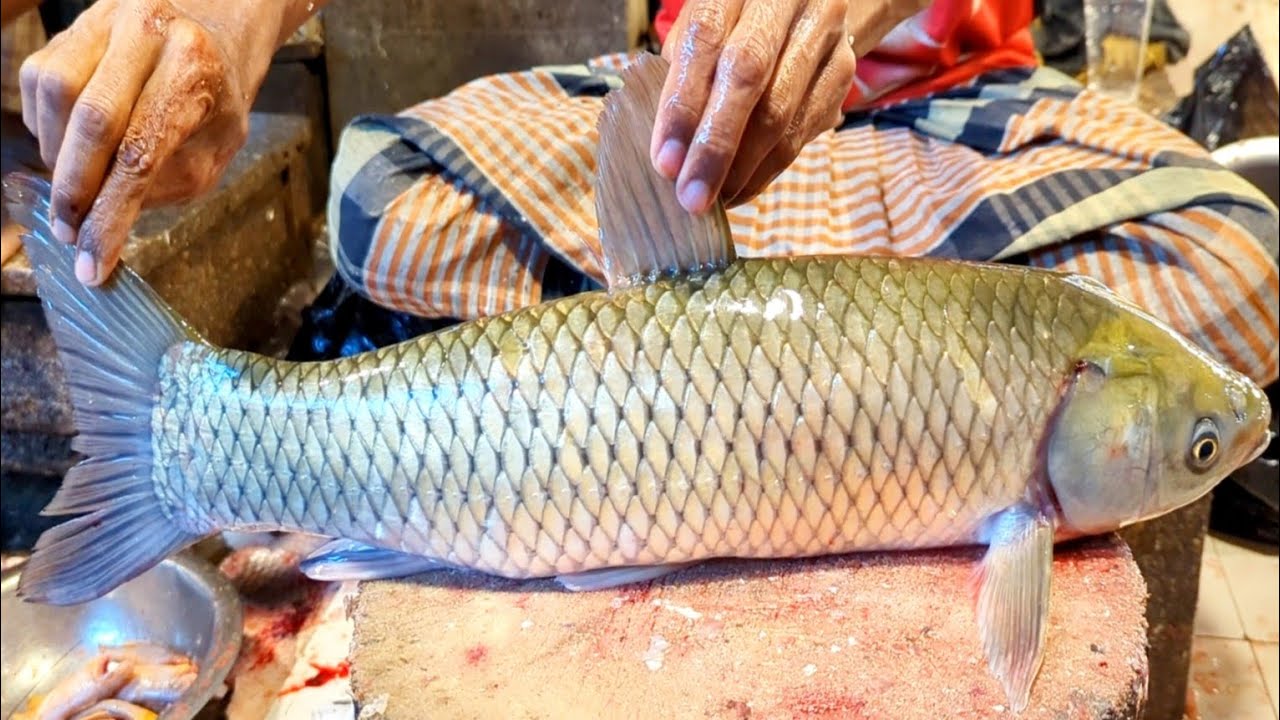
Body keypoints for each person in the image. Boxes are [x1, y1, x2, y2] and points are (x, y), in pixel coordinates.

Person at [13, 0, 1279, 390]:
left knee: (1232, 258)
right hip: (684, 128)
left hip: (953, 123)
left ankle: (704, 341)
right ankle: (808, 342)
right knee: (374, 190)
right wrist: (221, 19)